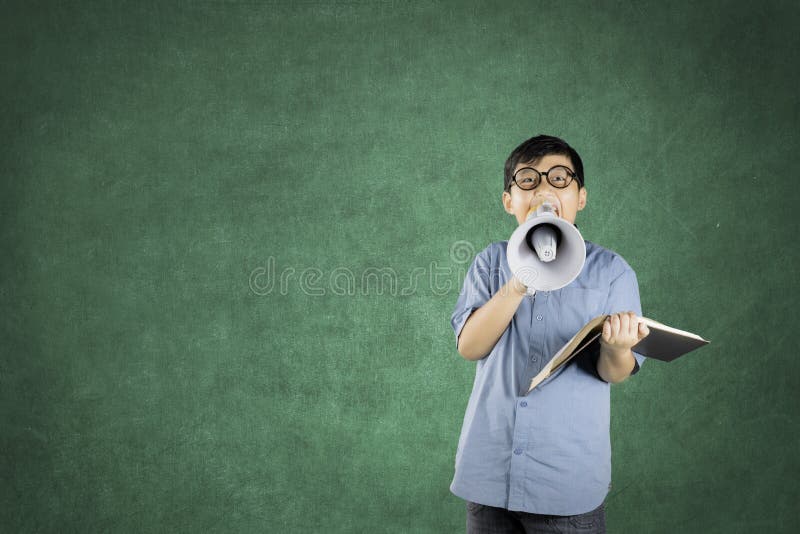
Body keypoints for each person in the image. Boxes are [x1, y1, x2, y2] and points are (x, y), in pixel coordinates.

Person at [450, 134, 650, 534]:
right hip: (490, 477)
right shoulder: (490, 262)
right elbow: (470, 347)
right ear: (509, 202)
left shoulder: (612, 271)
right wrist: (519, 281)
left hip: (567, 484)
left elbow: (616, 372)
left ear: (580, 198)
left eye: (560, 179)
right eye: (528, 180)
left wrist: (617, 347)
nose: (543, 188)